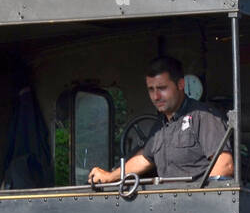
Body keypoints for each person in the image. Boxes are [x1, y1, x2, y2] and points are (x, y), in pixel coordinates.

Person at [87, 56, 234, 185]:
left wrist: (203, 201)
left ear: (181, 85)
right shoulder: (160, 126)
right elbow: (144, 159)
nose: (156, 96)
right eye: (151, 89)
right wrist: (110, 176)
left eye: (162, 88)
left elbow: (224, 165)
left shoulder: (203, 116)